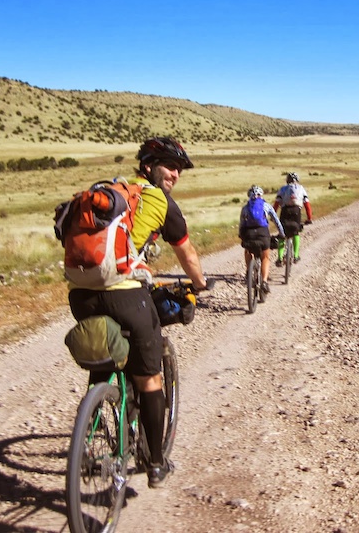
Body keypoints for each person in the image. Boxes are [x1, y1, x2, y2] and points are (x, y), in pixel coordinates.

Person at [68, 136, 211, 489]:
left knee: (103, 360)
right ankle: (156, 463)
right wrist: (200, 284)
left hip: (81, 296)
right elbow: (187, 253)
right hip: (127, 296)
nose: (175, 174)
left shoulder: (110, 193)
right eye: (170, 167)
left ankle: (91, 428)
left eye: (179, 170)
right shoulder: (159, 200)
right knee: (150, 379)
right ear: (148, 166)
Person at [239, 185, 284, 296]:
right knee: (265, 257)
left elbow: (242, 224)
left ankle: (249, 272)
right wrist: (282, 233)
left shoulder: (245, 208)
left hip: (249, 234)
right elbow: (276, 220)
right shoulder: (266, 205)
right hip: (262, 233)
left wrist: (241, 236)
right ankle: (264, 281)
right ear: (261, 195)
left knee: (247, 250)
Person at [273, 172, 313, 266]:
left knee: (282, 234)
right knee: (296, 232)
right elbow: (307, 205)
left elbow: (276, 203)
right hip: (296, 211)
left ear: (287, 180)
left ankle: (279, 258)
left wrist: (273, 215)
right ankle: (296, 255)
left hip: (285, 211)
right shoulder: (301, 188)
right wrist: (309, 218)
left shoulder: (283, 189)